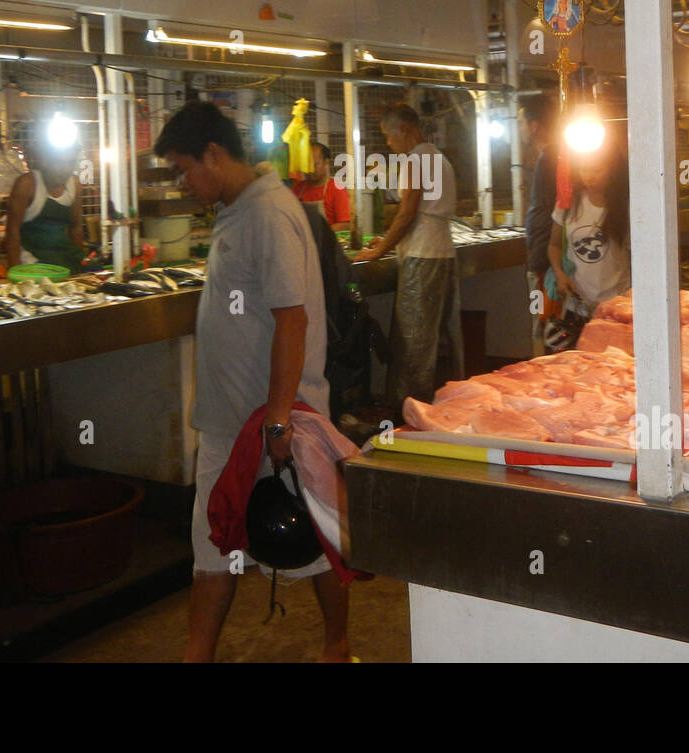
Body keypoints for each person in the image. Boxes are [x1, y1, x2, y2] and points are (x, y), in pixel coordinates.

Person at [155, 100, 350, 663]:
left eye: (184, 168)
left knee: (311, 544)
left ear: (214, 155)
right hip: (227, 425)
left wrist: (281, 417)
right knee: (212, 547)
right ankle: (199, 656)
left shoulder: (269, 212)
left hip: (269, 422)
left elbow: (293, 317)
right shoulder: (234, 209)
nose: (183, 182)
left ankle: (336, 647)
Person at [354, 103, 461, 406]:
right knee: (435, 333)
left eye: (389, 134)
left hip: (423, 255)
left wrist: (379, 251)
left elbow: (407, 214)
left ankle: (408, 408)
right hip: (441, 251)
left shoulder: (415, 160)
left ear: (405, 129)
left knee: (413, 337)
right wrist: (386, 241)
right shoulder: (439, 158)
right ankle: (437, 402)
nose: (388, 142)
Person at [547, 144, 630, 323]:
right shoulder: (568, 203)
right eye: (583, 169)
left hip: (617, 304)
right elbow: (554, 245)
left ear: (611, 170)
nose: (589, 177)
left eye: (596, 170)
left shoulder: (625, 207)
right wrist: (560, 274)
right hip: (577, 304)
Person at [3, 138, 85, 273]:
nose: (65, 169)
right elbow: (12, 232)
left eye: (70, 163)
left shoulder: (75, 185)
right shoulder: (27, 185)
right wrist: (16, 273)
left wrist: (80, 263)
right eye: (59, 162)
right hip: (32, 263)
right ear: (45, 162)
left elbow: (76, 227)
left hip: (64, 259)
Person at [518, 94, 558, 355]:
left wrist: (545, 260)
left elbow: (554, 212)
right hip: (545, 259)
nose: (519, 128)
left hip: (543, 263)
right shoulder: (551, 158)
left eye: (520, 121)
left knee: (541, 324)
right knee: (543, 321)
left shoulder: (549, 160)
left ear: (534, 126)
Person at [291, 142, 351, 232]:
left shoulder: (337, 189)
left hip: (326, 243)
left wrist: (320, 233)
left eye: (314, 165)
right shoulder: (298, 189)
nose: (310, 170)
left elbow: (344, 225)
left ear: (326, 163)